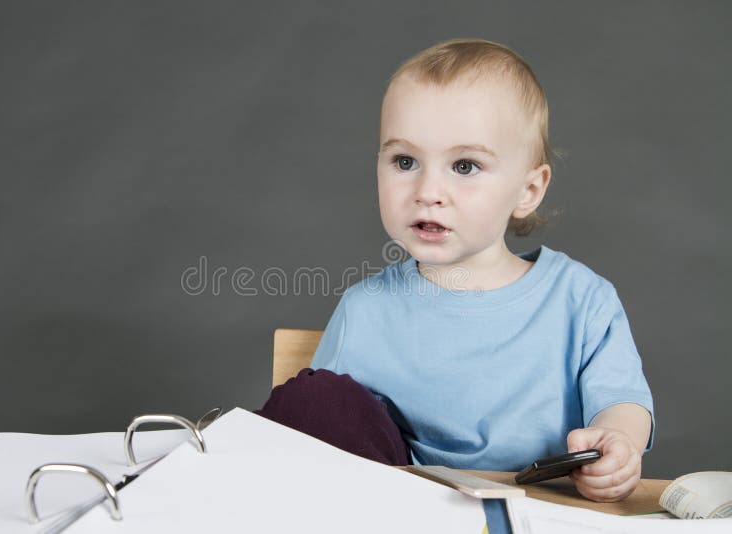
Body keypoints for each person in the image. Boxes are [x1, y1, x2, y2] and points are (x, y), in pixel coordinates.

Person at [260, 38, 654, 503]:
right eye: (405, 161)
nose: (428, 191)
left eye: (465, 166)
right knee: (312, 399)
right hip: (405, 509)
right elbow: (322, 438)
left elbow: (621, 399)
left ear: (528, 190)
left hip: (544, 509)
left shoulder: (581, 300)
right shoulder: (365, 309)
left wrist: (617, 441)